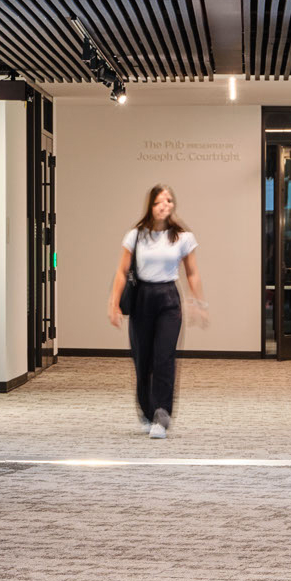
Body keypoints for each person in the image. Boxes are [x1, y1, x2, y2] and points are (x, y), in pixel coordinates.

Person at [107, 184, 206, 438]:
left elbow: (192, 273)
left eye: (169, 201)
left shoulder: (182, 237)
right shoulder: (136, 235)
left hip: (168, 300)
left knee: (164, 358)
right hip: (142, 298)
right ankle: (146, 410)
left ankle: (161, 416)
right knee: (143, 361)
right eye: (160, 201)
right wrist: (114, 302)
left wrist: (198, 302)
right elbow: (121, 271)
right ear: (151, 206)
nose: (165, 205)